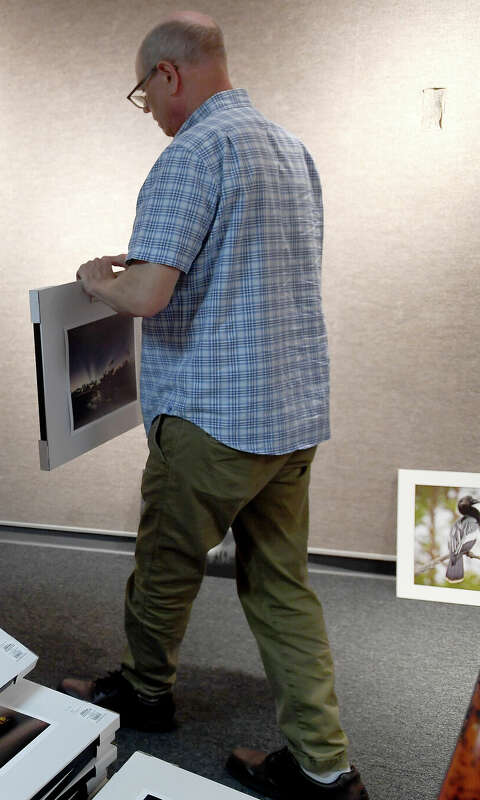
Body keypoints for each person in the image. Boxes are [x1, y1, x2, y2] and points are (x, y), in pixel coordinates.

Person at [59, 12, 369, 800]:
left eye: (145, 94)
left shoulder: (191, 153)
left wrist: (97, 279)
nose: (153, 113)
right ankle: (325, 766)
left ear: (170, 74)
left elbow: (147, 295)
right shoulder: (290, 150)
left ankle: (146, 692)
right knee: (280, 585)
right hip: (291, 415)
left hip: (213, 418)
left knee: (165, 563)